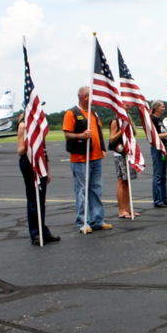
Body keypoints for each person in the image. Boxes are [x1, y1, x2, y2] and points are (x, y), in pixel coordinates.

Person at [62, 86, 112, 233]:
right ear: (84, 97)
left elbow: (99, 131)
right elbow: (67, 134)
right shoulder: (72, 113)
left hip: (95, 157)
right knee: (82, 191)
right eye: (92, 96)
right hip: (80, 158)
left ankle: (97, 220)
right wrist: (81, 135)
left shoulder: (93, 113)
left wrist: (102, 148)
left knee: (96, 189)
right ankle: (83, 222)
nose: (94, 98)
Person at [17, 112, 59, 246]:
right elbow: (20, 150)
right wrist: (30, 140)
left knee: (41, 201)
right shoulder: (23, 126)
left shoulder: (38, 127)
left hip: (41, 163)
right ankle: (35, 233)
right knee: (33, 200)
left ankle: (43, 231)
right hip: (28, 163)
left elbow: (43, 149)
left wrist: (48, 169)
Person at [108, 106, 140, 219]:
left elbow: (133, 134)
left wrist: (129, 126)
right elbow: (111, 139)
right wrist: (122, 130)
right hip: (119, 154)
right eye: (126, 105)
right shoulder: (115, 121)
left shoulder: (127, 119)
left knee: (127, 182)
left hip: (128, 153)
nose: (129, 107)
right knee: (121, 181)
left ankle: (128, 209)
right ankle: (121, 210)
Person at [149, 100, 167, 208]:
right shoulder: (152, 119)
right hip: (157, 148)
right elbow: (153, 135)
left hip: (163, 148)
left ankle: (164, 198)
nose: (164, 108)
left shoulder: (160, 120)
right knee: (158, 175)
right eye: (162, 106)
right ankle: (158, 200)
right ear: (156, 108)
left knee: (163, 175)